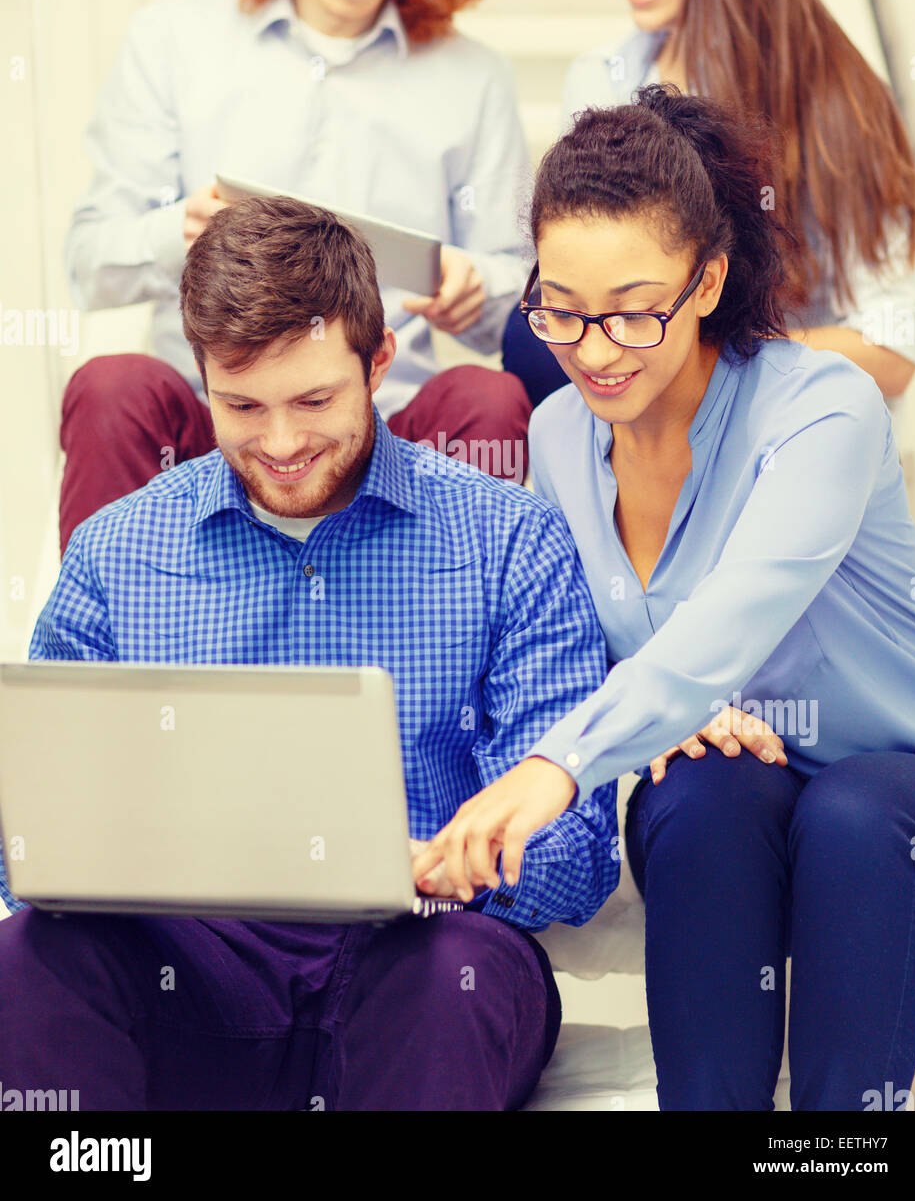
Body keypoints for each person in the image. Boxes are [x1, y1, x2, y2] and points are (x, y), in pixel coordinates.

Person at [0, 196, 619, 1111]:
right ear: (201, 376)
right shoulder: (118, 551)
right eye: (241, 405)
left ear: (377, 363)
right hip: (193, 967)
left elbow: (579, 850)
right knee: (29, 961)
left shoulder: (507, 540)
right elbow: (25, 831)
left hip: (417, 953)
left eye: (314, 400)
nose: (281, 445)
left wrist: (471, 857)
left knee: (457, 977)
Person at [415, 86, 915, 1112]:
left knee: (850, 817)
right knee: (696, 801)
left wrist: (557, 763)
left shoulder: (819, 407)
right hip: (736, 775)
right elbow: (598, 640)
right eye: (558, 307)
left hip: (903, 774)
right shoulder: (560, 434)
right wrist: (673, 711)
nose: (594, 347)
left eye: (631, 310)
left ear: (705, 282)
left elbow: (738, 609)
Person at [60, 0, 533, 555]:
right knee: (112, 385)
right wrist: (172, 234)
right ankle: (102, 658)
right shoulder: (174, 40)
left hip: (381, 429)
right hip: (215, 414)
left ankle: (467, 641)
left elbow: (524, 292)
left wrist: (480, 290)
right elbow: (90, 259)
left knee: (489, 395)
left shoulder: (473, 79)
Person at [503, 0, 915, 411]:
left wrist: (717, 349)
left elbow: (895, 344)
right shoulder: (600, 79)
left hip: (767, 414)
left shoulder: (834, 95)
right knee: (521, 344)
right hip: (642, 419)